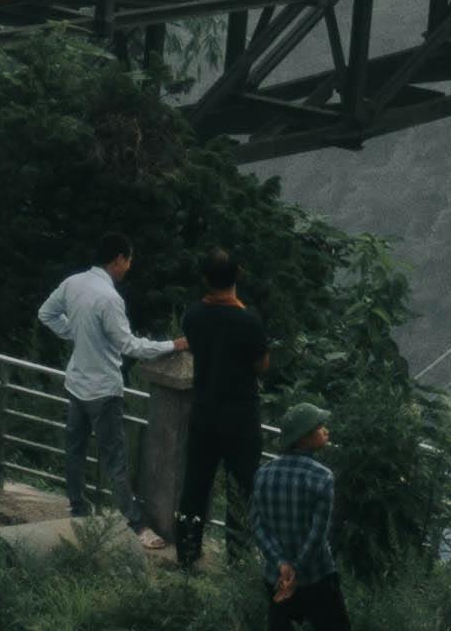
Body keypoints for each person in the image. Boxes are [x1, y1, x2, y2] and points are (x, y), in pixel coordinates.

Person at [173, 259, 273, 560]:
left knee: (195, 484)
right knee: (241, 489)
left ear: (205, 279)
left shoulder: (193, 315)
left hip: (203, 412)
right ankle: (238, 557)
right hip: (240, 417)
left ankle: (187, 552)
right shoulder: (248, 321)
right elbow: (262, 366)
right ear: (237, 277)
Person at [36, 240, 143, 512]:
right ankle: (132, 519)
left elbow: (45, 313)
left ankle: (78, 507)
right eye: (128, 261)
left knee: (75, 451)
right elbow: (129, 345)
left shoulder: (74, 283)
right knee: (115, 459)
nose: (128, 267)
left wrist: (74, 333)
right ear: (118, 259)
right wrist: (170, 345)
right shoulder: (109, 298)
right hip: (104, 391)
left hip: (76, 384)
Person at [244, 412, 346, 631]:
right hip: (316, 576)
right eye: (319, 426)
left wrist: (282, 564)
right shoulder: (323, 477)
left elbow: (256, 523)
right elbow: (317, 535)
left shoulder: (263, 473)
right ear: (303, 438)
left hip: (276, 579)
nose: (326, 430)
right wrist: (297, 570)